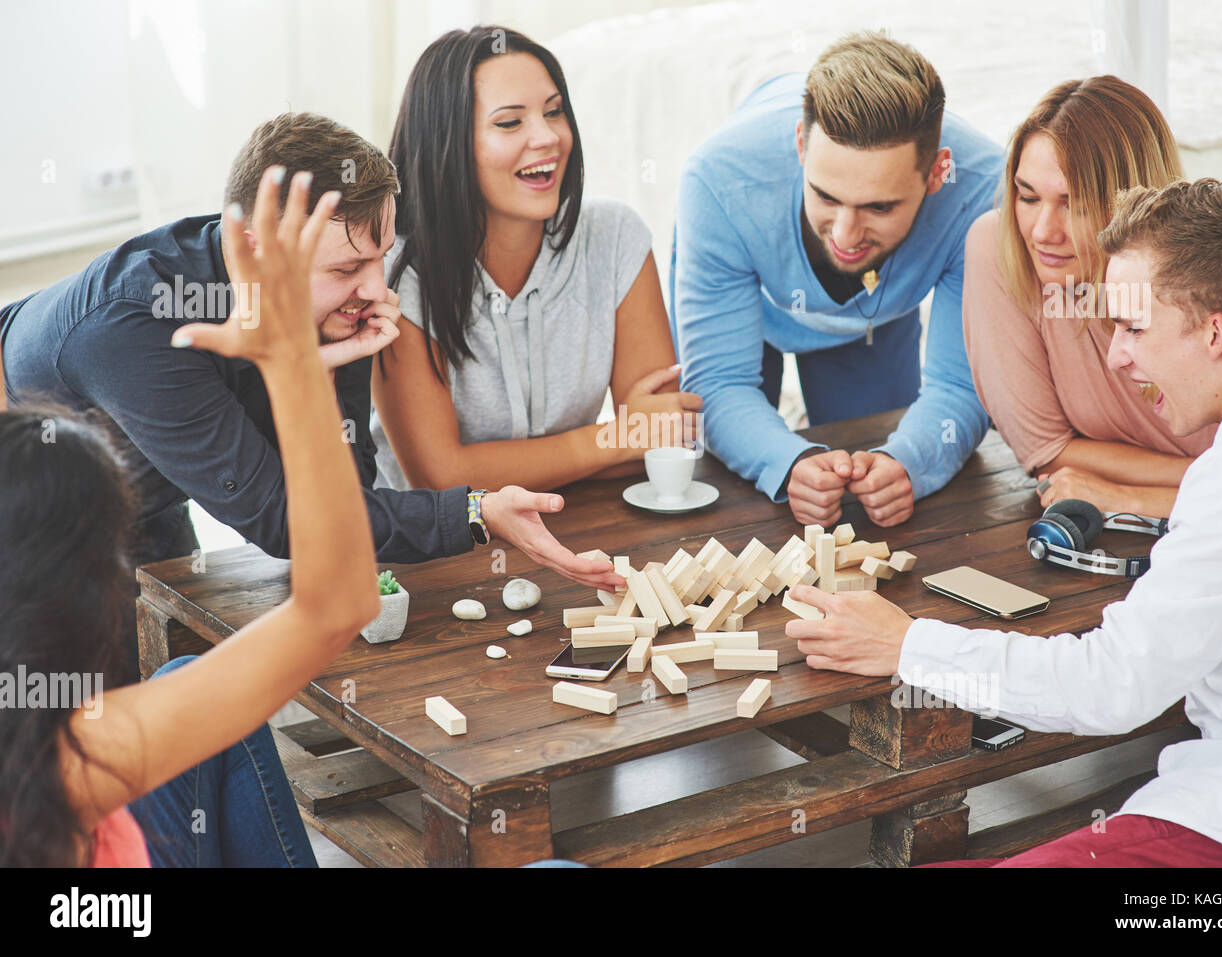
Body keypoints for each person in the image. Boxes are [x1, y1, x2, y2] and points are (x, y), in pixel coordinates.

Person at [784, 178, 1222, 867]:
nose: (1118, 354)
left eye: (1135, 327)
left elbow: (1114, 685)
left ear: (1214, 330)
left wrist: (906, 644)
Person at [0, 112, 622, 594]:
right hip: (24, 512)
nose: (377, 291)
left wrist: (313, 368)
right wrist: (474, 512)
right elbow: (284, 520)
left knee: (187, 683)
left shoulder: (333, 304)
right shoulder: (138, 325)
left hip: (138, 500)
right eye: (349, 265)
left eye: (381, 258)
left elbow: (342, 495)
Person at [1, 170, 373, 866]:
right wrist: (292, 357)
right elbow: (334, 605)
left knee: (189, 683)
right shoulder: (69, 771)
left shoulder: (62, 763)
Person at [670, 30, 1003, 530]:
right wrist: (791, 463)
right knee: (742, 489)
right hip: (753, 307)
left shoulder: (983, 193)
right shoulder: (716, 180)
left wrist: (908, 461)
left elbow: (961, 382)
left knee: (871, 479)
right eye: (826, 197)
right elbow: (719, 383)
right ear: (801, 146)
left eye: (879, 206)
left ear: (938, 174)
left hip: (879, 314)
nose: (846, 235)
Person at [370, 26, 699, 494]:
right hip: (431, 555)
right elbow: (440, 479)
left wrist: (619, 442)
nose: (548, 137)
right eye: (510, 123)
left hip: (573, 525)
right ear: (447, 143)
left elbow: (661, 441)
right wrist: (617, 436)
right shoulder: (393, 272)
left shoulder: (615, 237)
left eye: (554, 112)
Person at [964, 75, 1213, 518]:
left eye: (1075, 204)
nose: (1042, 232)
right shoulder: (1000, 251)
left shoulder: (1220, 277)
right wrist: (1211, 474)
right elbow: (1047, 453)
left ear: (1134, 201)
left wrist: (1136, 495)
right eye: (1027, 196)